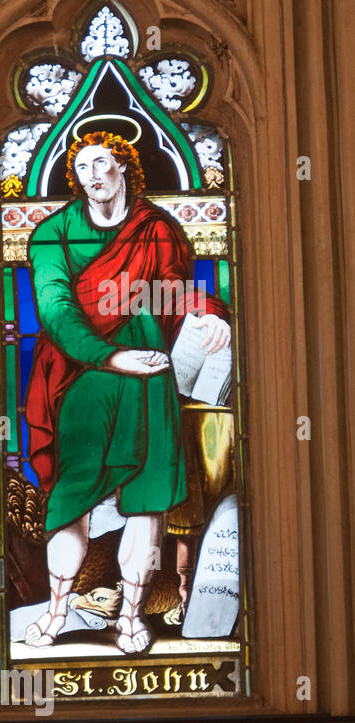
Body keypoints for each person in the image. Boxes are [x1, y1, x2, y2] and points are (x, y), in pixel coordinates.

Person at [22, 129, 231, 654]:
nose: (92, 174)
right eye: (83, 166)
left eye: (102, 163)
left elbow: (173, 290)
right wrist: (112, 358)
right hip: (81, 374)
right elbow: (55, 310)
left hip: (149, 372)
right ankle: (55, 612)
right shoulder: (54, 233)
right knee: (73, 496)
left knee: (147, 497)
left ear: (125, 167)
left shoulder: (156, 228)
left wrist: (210, 314)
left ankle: (132, 617)